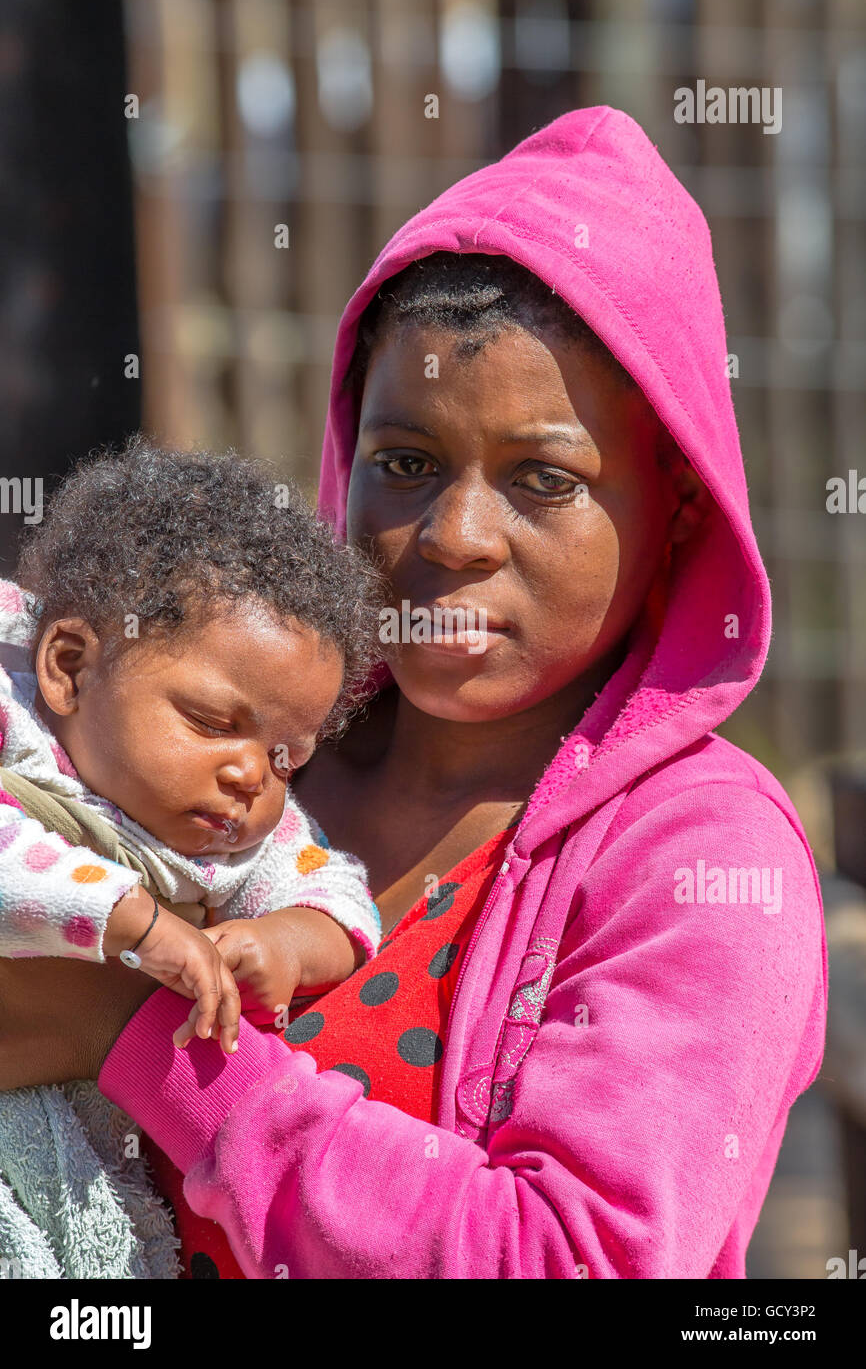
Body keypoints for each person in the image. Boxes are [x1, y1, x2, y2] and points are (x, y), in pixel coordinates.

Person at [0, 106, 827, 1279]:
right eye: (407, 463)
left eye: (543, 477)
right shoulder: (215, 750)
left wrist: (129, 1033)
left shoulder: (697, 856)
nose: (453, 535)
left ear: (675, 505)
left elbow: (573, 1260)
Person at [0, 441, 382, 1277]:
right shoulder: (14, 739)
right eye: (212, 722)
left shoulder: (225, 830)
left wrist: (288, 939)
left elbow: (343, 896)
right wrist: (140, 924)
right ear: (70, 667)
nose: (251, 773)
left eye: (287, 756)